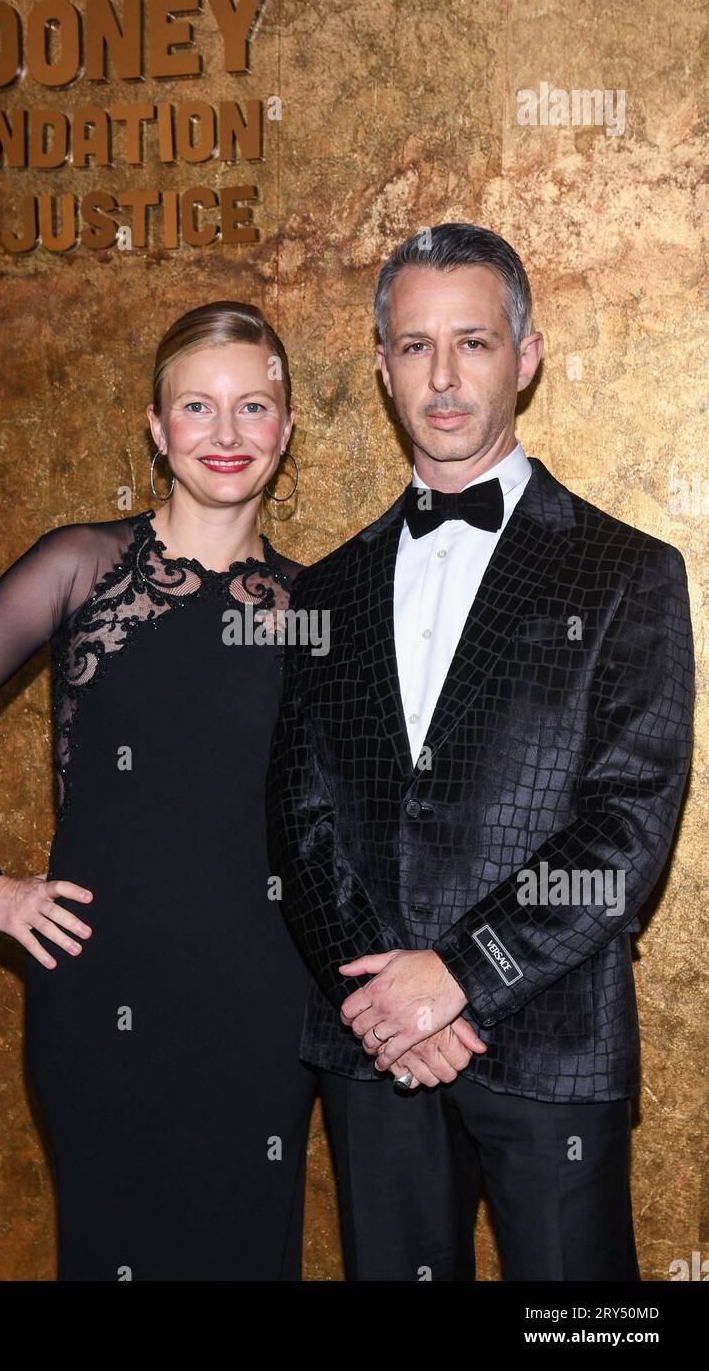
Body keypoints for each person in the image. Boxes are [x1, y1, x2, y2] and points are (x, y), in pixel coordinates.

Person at [266, 224, 695, 1281]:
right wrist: (384, 1002)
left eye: (472, 342)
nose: (443, 378)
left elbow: (624, 833)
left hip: (548, 1039)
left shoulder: (627, 571)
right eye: (413, 347)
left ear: (526, 354)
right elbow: (297, 819)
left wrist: (452, 979)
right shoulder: (321, 591)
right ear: (379, 368)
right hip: (372, 1051)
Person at [0, 301, 317, 1281]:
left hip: (261, 1001)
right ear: (158, 429)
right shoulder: (81, 567)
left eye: (251, 407)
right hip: (103, 992)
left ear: (284, 430)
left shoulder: (314, 609)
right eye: (196, 408)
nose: (223, 433)